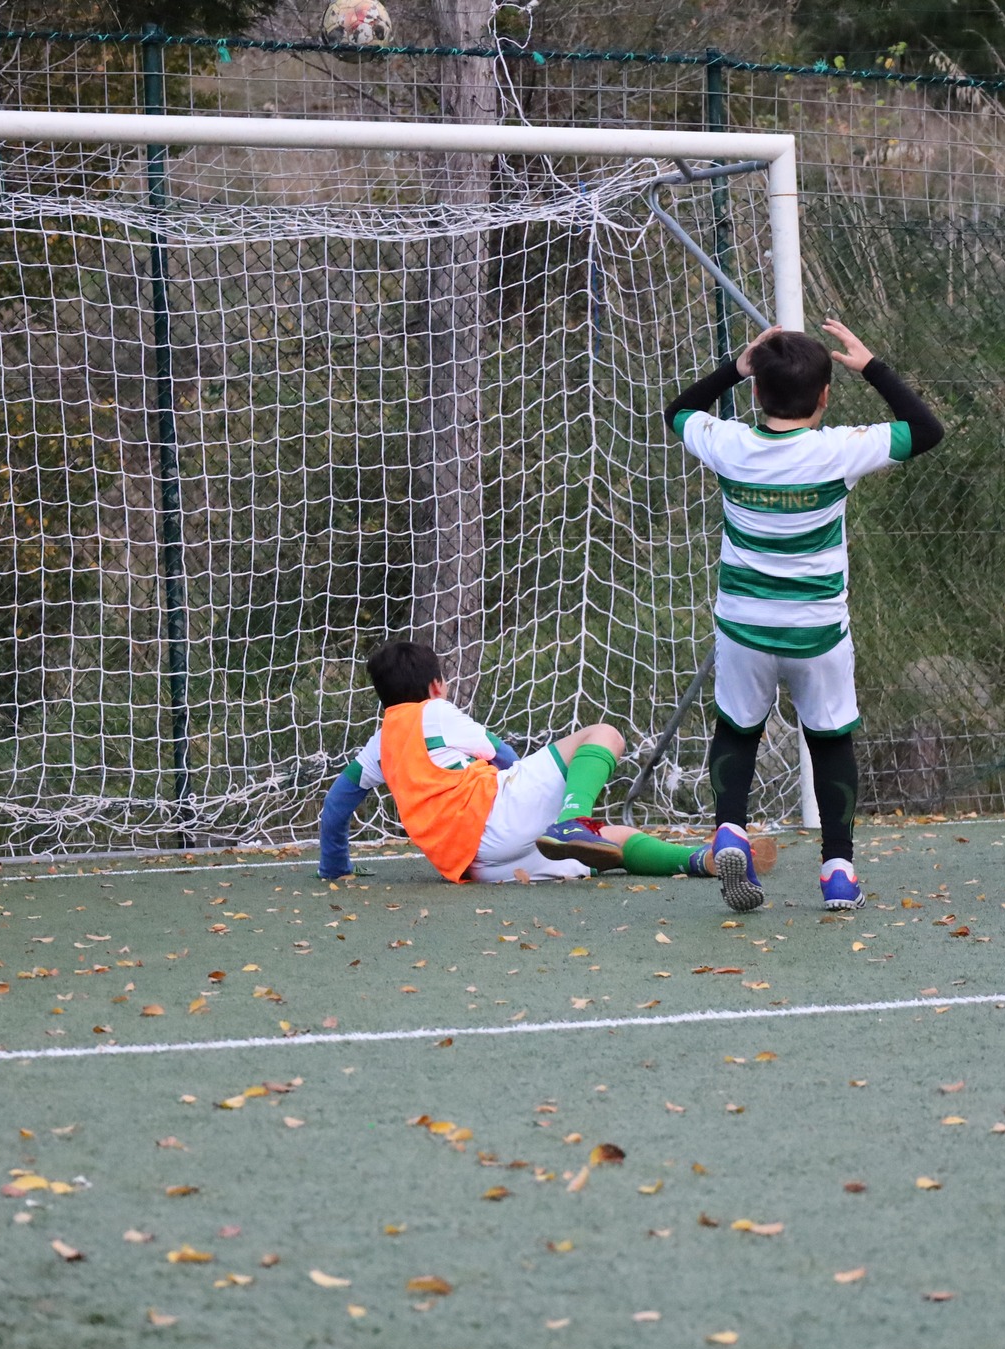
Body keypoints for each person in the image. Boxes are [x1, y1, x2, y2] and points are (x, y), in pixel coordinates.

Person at [664, 319, 945, 911]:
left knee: (737, 728)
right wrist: (871, 366)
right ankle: (838, 872)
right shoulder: (836, 450)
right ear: (823, 396)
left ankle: (730, 830)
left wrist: (734, 369)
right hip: (817, 631)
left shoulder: (729, 445)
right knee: (830, 737)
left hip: (744, 627)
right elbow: (925, 429)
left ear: (758, 393)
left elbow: (681, 411)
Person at [317, 639, 744, 889]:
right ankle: (571, 820)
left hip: (478, 865)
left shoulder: (378, 744)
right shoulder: (435, 712)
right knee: (604, 735)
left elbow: (336, 807)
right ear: (436, 686)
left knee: (610, 842)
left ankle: (698, 861)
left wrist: (335, 867)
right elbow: (501, 754)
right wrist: (530, 796)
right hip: (499, 815)